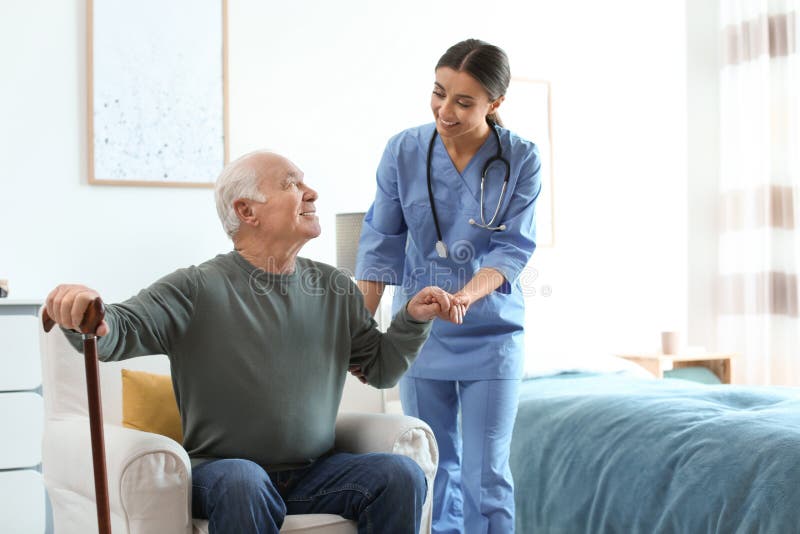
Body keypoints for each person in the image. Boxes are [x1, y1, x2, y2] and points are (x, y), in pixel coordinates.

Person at [45, 150, 458, 534]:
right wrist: (83, 312)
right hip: (222, 474)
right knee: (244, 479)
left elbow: (381, 370)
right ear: (246, 211)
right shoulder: (196, 287)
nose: (310, 192)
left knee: (399, 474)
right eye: (291, 184)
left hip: (316, 472)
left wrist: (412, 320)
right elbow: (117, 330)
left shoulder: (334, 288)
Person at [354, 39, 542, 534]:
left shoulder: (520, 158)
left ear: (494, 104)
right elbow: (381, 243)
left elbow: (512, 249)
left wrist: (467, 296)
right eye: (439, 93)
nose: (446, 109)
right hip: (419, 333)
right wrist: (356, 335)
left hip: (492, 333)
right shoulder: (404, 150)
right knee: (432, 471)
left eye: (464, 101)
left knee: (487, 478)